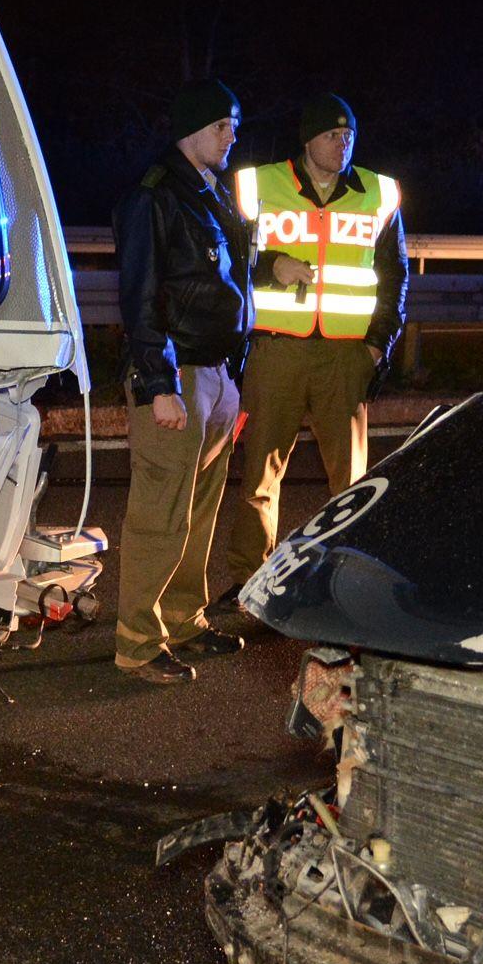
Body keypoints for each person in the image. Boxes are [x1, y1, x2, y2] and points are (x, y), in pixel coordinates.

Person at [109, 79, 303, 684]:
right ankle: (138, 642)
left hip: (216, 372)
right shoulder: (154, 196)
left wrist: (271, 268)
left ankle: (183, 619)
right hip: (179, 374)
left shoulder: (210, 193)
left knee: (196, 509)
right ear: (192, 129)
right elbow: (141, 297)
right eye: (222, 125)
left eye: (234, 124)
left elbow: (223, 272)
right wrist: (158, 384)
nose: (231, 135)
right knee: (160, 512)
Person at [216, 93, 406, 605]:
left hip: (346, 355)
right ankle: (249, 579)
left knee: (352, 481)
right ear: (307, 140)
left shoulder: (379, 193)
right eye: (331, 135)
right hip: (276, 349)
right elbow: (224, 254)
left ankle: (349, 582)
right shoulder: (260, 185)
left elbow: (395, 276)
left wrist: (377, 346)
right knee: (260, 474)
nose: (342, 145)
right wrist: (270, 266)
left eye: (348, 136)